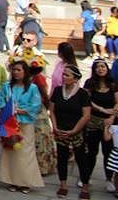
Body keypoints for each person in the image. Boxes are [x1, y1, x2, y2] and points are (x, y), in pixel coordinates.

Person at [0, 60, 45, 193]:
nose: (16, 72)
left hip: (24, 122)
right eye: (14, 70)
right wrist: (5, 109)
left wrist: (21, 110)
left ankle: (26, 181)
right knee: (10, 150)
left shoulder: (32, 88)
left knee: (25, 152)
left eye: (19, 70)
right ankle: (11, 180)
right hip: (9, 122)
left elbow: (36, 104)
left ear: (25, 72)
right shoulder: (7, 86)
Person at [49, 64, 92, 199]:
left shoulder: (82, 94)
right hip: (61, 129)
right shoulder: (57, 91)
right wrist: (55, 127)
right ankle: (63, 185)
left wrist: (74, 130)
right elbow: (52, 111)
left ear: (75, 78)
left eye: (67, 75)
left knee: (81, 159)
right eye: (63, 74)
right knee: (62, 158)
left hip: (77, 130)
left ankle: (85, 186)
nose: (64, 77)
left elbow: (86, 115)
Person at [84, 60, 118, 193]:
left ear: (107, 68)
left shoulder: (113, 84)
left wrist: (112, 117)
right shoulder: (90, 83)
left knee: (109, 151)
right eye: (97, 67)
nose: (100, 69)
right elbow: (87, 100)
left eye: (103, 66)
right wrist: (102, 109)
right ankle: (86, 178)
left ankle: (109, 179)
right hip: (93, 121)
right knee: (91, 151)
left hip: (110, 123)